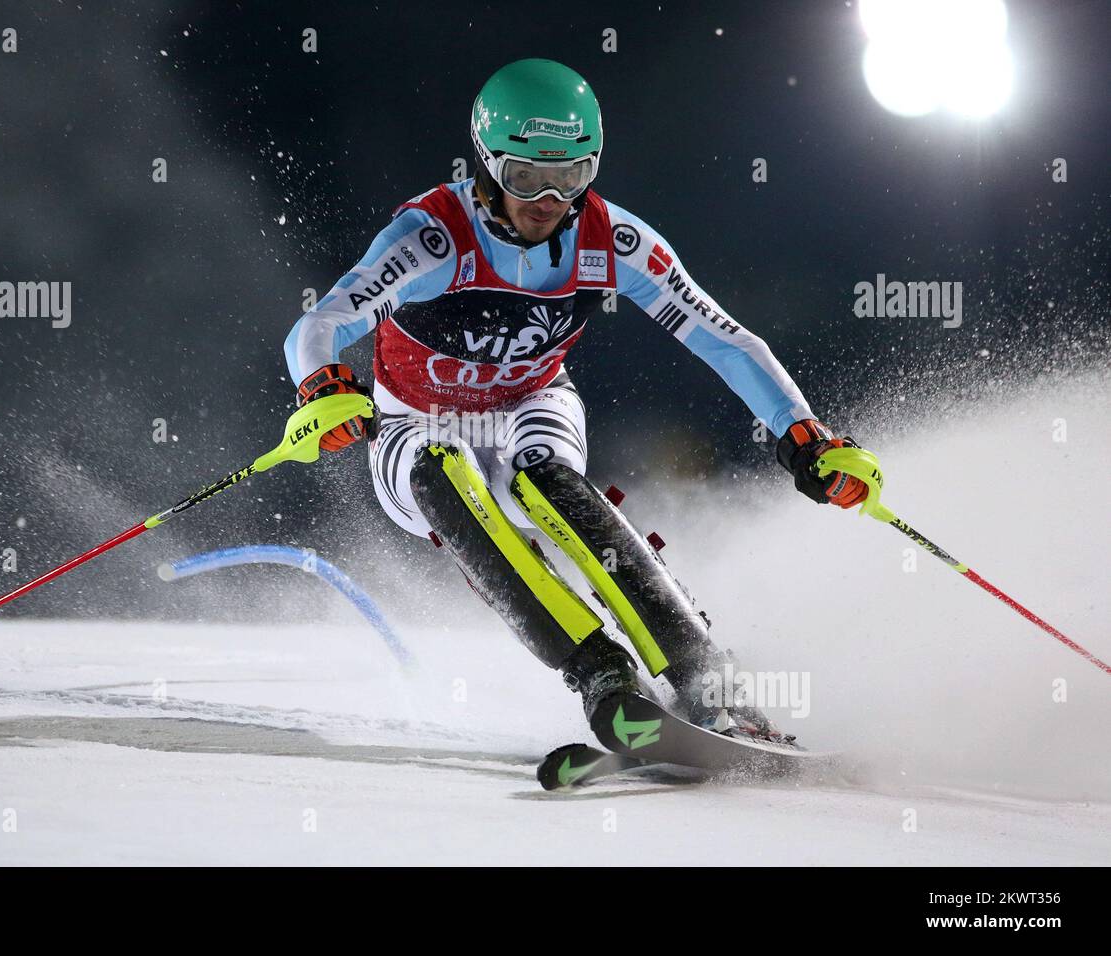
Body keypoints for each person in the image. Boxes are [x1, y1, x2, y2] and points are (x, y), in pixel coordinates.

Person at [284, 58, 874, 739]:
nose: (547, 199)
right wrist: (322, 385)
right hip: (416, 420)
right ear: (486, 164)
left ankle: (710, 682)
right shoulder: (433, 238)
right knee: (442, 472)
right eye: (525, 176)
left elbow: (725, 340)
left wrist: (801, 433)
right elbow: (321, 323)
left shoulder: (611, 240)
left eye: (571, 175)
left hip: (532, 402)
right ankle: (606, 678)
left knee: (550, 481)